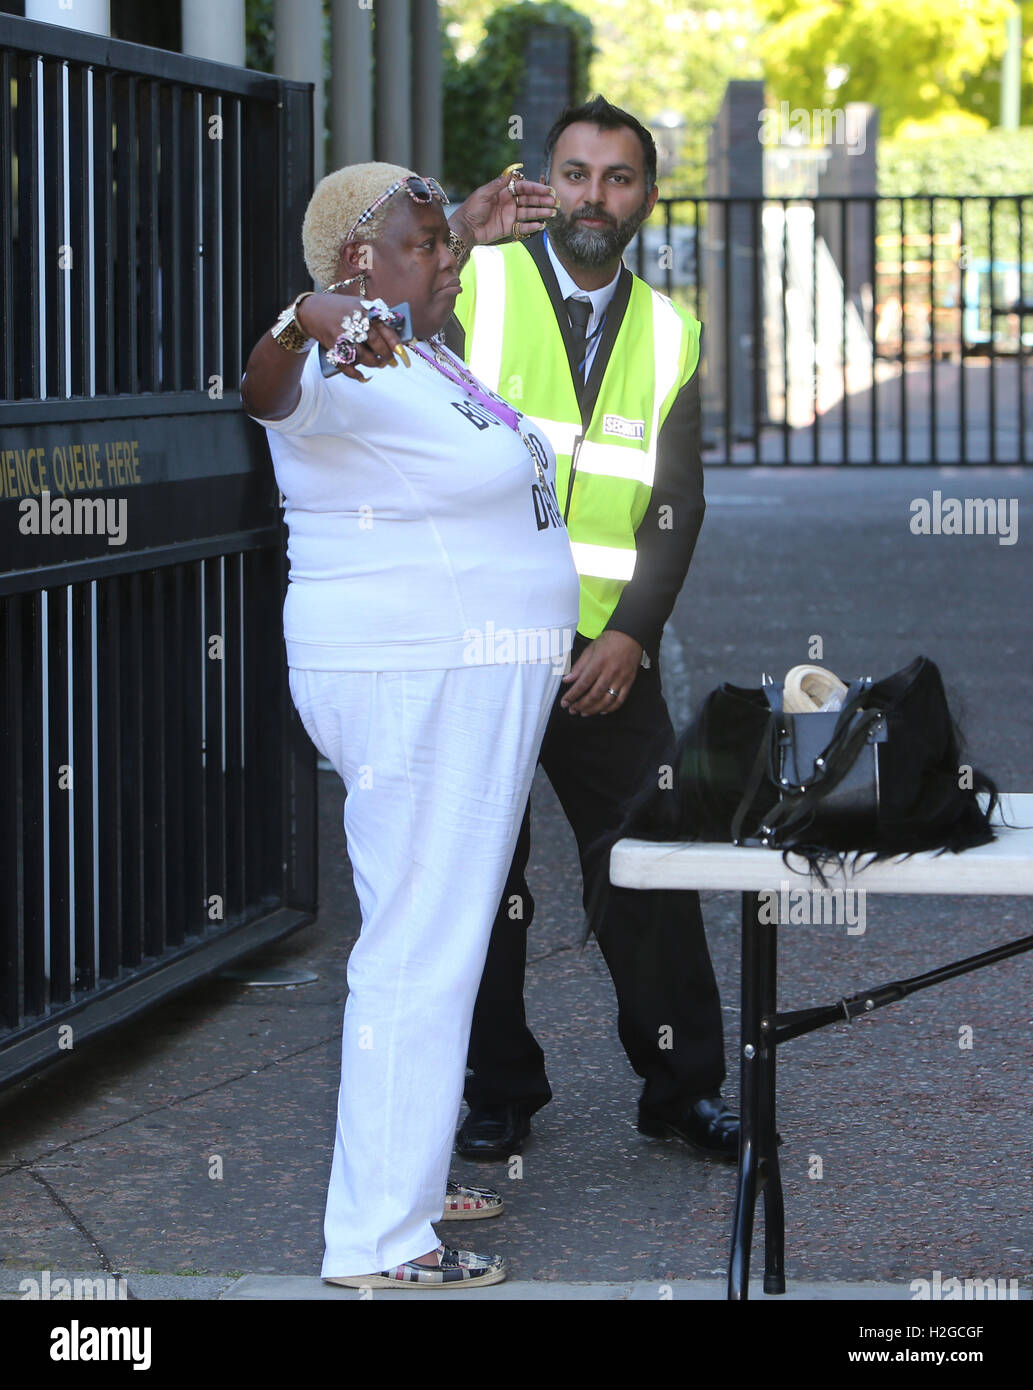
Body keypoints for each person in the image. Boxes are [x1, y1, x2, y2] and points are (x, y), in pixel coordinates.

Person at [240, 161, 579, 1288]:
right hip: (416, 675)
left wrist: (460, 236)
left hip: (462, 673)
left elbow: (422, 316)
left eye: (445, 242)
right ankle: (379, 1244)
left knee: (440, 934)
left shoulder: (418, 354)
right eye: (420, 243)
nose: (446, 259)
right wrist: (303, 316)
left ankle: (408, 1177)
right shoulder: (336, 357)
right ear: (353, 265)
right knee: (417, 948)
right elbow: (263, 391)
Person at [445, 97, 741, 1162]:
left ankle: (680, 1090)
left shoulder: (671, 331)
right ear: (543, 182)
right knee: (482, 872)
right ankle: (497, 1089)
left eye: (616, 178)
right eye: (573, 174)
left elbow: (675, 501)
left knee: (648, 864)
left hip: (603, 653)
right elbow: (356, 334)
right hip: (478, 636)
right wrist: (456, 235)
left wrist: (631, 637)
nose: (591, 197)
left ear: (643, 198)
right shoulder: (470, 283)